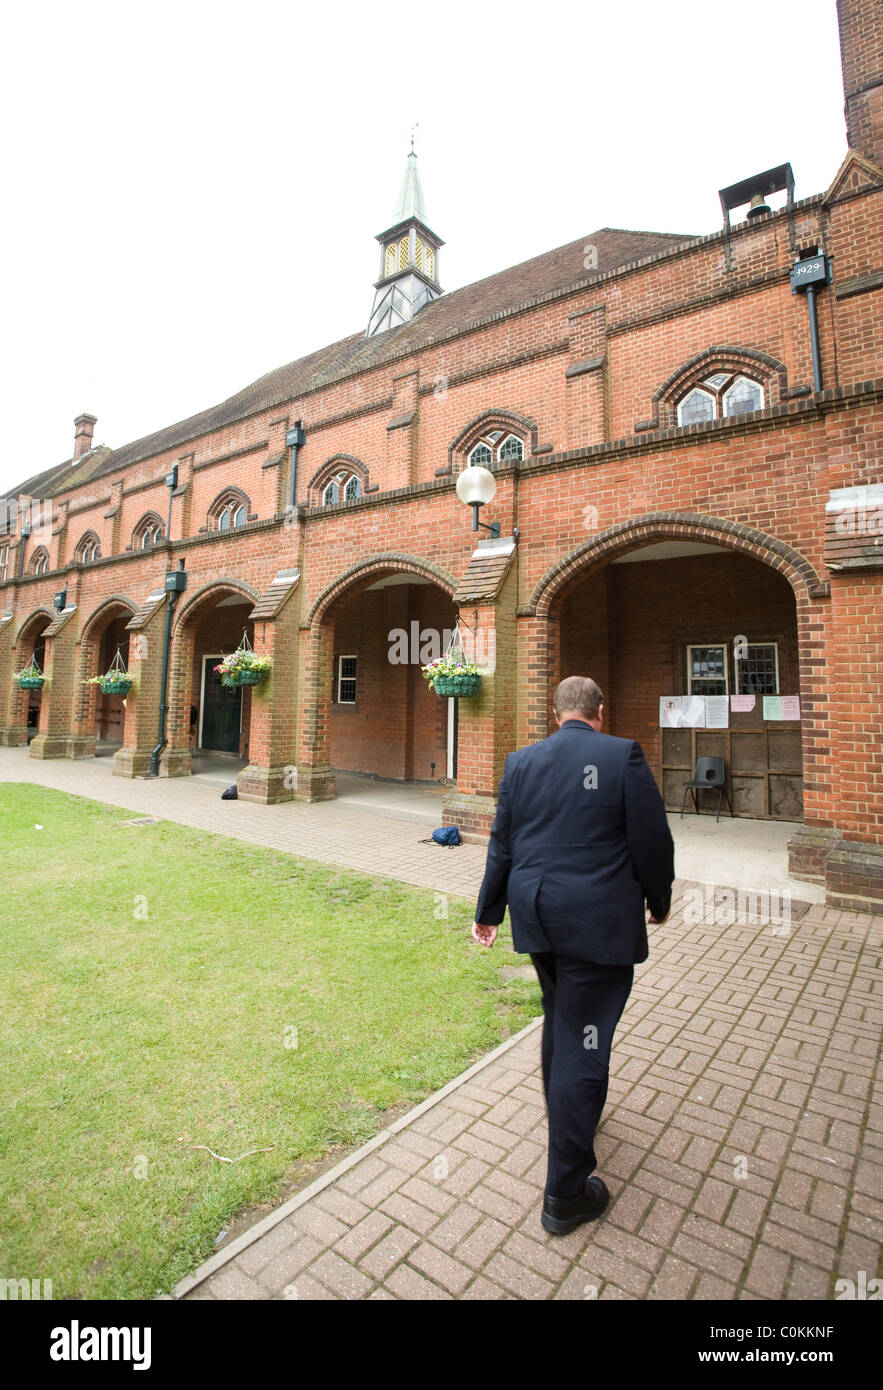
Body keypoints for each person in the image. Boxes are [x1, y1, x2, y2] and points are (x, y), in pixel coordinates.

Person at [471, 675, 675, 1235]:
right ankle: (565, 1194)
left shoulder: (521, 763)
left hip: (538, 913)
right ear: (599, 712)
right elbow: (652, 840)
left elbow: (502, 843)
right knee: (585, 1035)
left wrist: (488, 912)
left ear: (557, 713)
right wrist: (659, 900)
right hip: (595, 920)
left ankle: (570, 1114)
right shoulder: (621, 756)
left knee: (561, 1014)